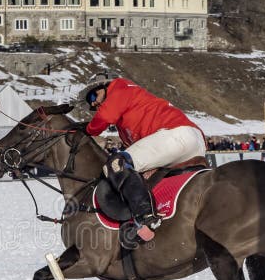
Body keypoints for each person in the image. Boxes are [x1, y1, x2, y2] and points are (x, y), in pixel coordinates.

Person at [82, 77, 206, 243]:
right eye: (91, 106)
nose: (94, 104)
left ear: (103, 86)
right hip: (193, 142)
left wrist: (86, 129)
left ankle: (145, 217)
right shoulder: (125, 120)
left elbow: (102, 120)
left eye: (93, 97)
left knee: (116, 164)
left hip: (175, 134)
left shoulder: (118, 86)